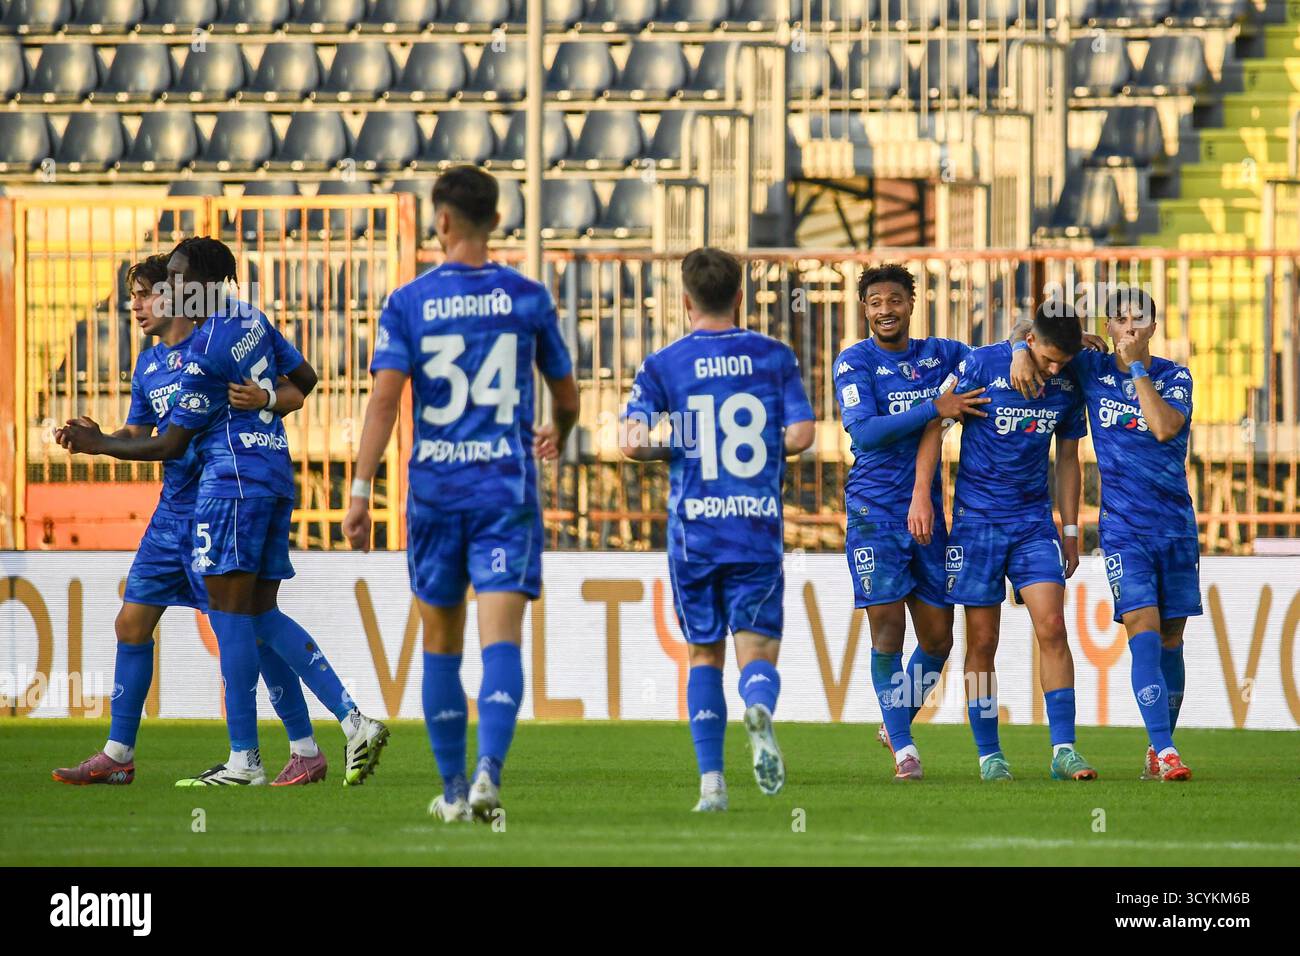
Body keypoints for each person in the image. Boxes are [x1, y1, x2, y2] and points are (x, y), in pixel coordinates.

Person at [61, 237, 389, 787]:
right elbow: (301, 380)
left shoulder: (205, 350)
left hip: (228, 487)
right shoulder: (236, 324)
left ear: (199, 286)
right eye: (146, 291)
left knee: (241, 621)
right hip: (232, 489)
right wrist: (264, 400)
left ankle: (252, 758)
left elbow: (167, 445)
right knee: (242, 618)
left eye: (166, 284)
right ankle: (317, 741)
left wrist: (99, 447)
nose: (153, 297)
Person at [343, 166, 580, 823]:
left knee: (440, 644)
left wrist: (360, 490)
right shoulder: (527, 297)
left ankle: (451, 793)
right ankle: (487, 777)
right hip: (505, 489)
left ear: (441, 221)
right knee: (500, 641)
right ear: (496, 221)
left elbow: (384, 403)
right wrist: (555, 433)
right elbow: (566, 398)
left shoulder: (407, 302)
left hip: (435, 496)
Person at [621, 247, 816, 812]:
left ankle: (712, 786)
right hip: (755, 530)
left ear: (685, 301)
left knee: (703, 655)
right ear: (739, 297)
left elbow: (631, 442)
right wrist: (755, 457)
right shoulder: (773, 355)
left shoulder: (664, 364)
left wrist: (681, 445)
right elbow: (802, 434)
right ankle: (758, 708)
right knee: (757, 650)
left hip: (694, 535)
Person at [1010, 287, 1196, 781]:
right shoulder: (1089, 369)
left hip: (1175, 528)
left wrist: (1137, 369)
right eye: (1120, 320)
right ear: (1107, 328)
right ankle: (1167, 749)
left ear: (1154, 327)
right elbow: (1034, 333)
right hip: (1123, 530)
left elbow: (1162, 427)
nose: (1129, 328)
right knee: (1145, 633)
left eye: (1139, 319)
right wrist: (1015, 350)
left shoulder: (1176, 378)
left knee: (1173, 638)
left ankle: (1158, 749)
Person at [911, 299, 1097, 782]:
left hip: (1034, 523)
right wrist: (922, 498)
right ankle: (989, 755)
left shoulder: (1069, 377)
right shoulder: (983, 364)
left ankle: (1064, 750)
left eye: (1063, 360)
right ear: (1029, 341)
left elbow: (1069, 459)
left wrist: (1071, 530)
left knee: (1053, 626)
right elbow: (935, 423)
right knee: (983, 640)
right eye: (1048, 357)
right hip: (977, 524)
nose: (1055, 368)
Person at [832, 263, 991, 780]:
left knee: (940, 637)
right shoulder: (854, 361)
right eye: (875, 302)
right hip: (874, 512)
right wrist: (934, 407)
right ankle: (905, 749)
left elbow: (994, 361)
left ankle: (893, 717)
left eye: (894, 300)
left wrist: (1050, 340)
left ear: (911, 303)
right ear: (865, 309)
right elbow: (867, 433)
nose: (885, 311)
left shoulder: (940, 354)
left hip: (927, 513)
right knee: (886, 630)